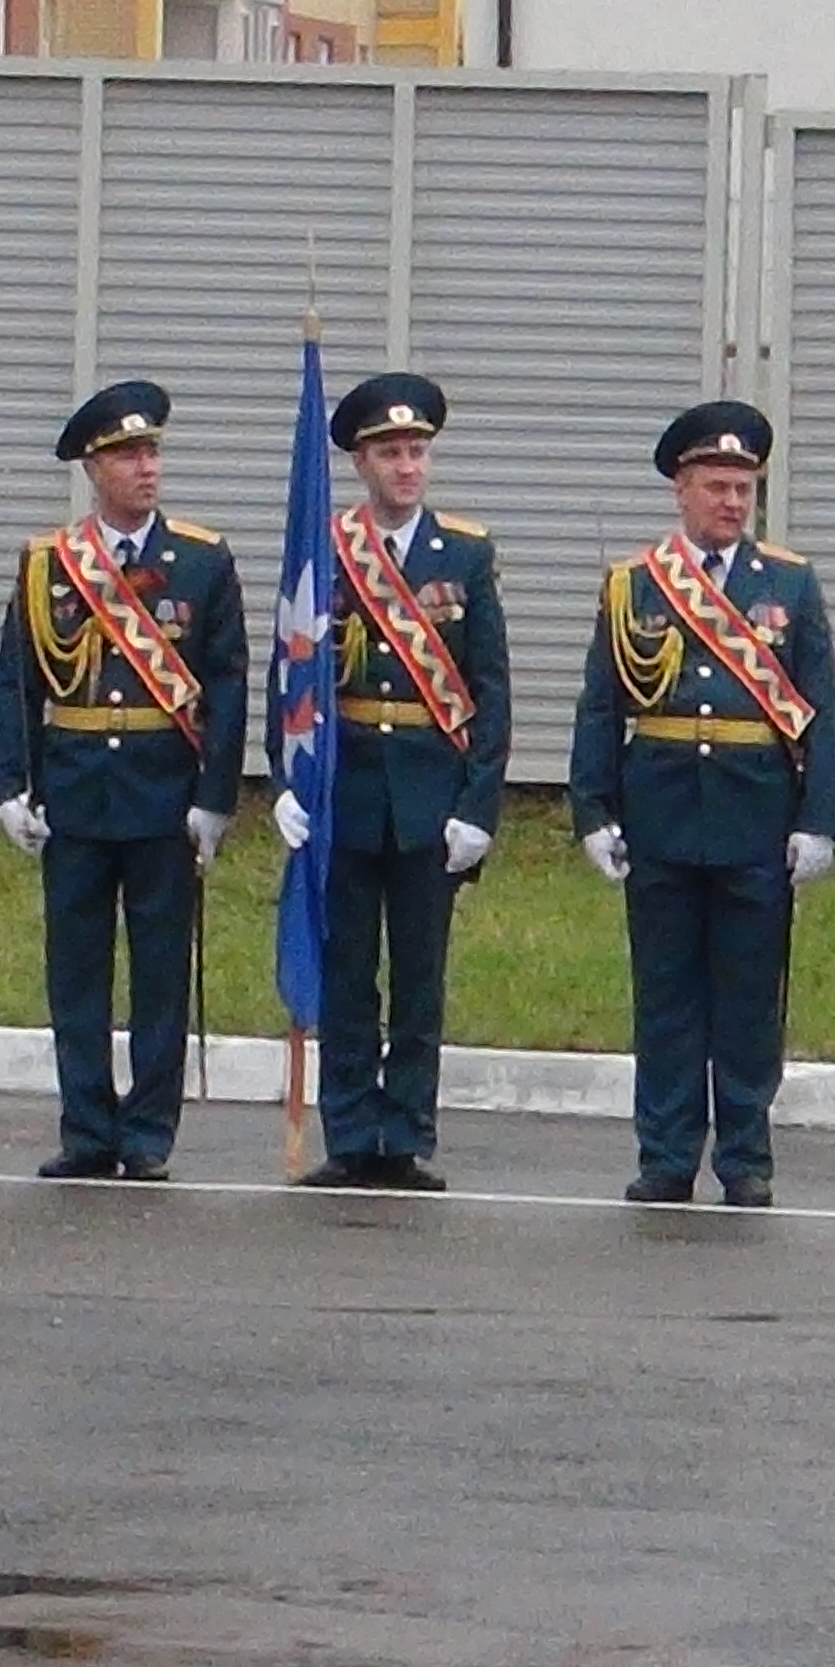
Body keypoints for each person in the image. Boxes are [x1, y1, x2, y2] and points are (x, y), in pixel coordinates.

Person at [575, 400, 835, 1206]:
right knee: (666, 996)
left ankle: (747, 1157)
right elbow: (602, 703)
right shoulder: (635, 586)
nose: (731, 502)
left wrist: (816, 820)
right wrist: (593, 809)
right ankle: (665, 1153)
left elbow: (818, 709)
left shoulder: (788, 583)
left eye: (744, 488)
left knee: (750, 999)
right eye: (717, 486)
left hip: (753, 812)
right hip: (659, 811)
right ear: (681, 490)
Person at [0, 379, 241, 1182]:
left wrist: (215, 797)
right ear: (93, 469)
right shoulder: (48, 564)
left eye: (152, 451)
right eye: (128, 455)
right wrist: (10, 784)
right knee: (78, 970)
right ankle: (87, 1127)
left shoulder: (200, 560)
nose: (145, 468)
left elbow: (228, 684)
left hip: (164, 791)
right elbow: (18, 682)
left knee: (161, 971)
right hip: (76, 787)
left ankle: (149, 1131)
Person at [281, 370, 509, 1193]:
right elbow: (296, 670)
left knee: (418, 979)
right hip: (346, 793)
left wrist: (478, 804)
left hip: (427, 797)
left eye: (417, 451)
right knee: (348, 976)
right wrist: (288, 781)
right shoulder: (327, 549)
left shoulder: (467, 555)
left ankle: (406, 1134)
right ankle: (350, 1132)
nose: (407, 466)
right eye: (390, 453)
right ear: (361, 464)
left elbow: (490, 690)